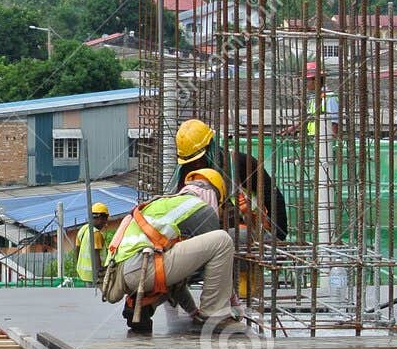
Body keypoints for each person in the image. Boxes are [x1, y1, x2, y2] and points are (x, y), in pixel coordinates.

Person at [106, 168, 240, 336]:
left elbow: (179, 279)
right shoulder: (200, 209)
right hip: (142, 267)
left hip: (128, 273)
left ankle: (141, 306)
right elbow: (219, 270)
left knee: (183, 263)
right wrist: (235, 304)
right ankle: (215, 316)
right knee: (222, 241)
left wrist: (193, 312)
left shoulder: (169, 204)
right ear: (213, 194)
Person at [173, 118, 288, 239]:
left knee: (242, 235)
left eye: (199, 159)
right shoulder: (183, 174)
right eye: (192, 162)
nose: (196, 165)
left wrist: (279, 236)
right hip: (205, 237)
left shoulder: (238, 163)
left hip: (245, 234)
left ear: (210, 147)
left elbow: (273, 196)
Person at [72, 202, 111, 285]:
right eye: (105, 219)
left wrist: (77, 267)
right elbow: (96, 256)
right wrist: (100, 276)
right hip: (93, 276)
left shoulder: (83, 229)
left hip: (82, 274)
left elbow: (77, 250)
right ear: (100, 217)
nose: (105, 223)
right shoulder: (96, 234)